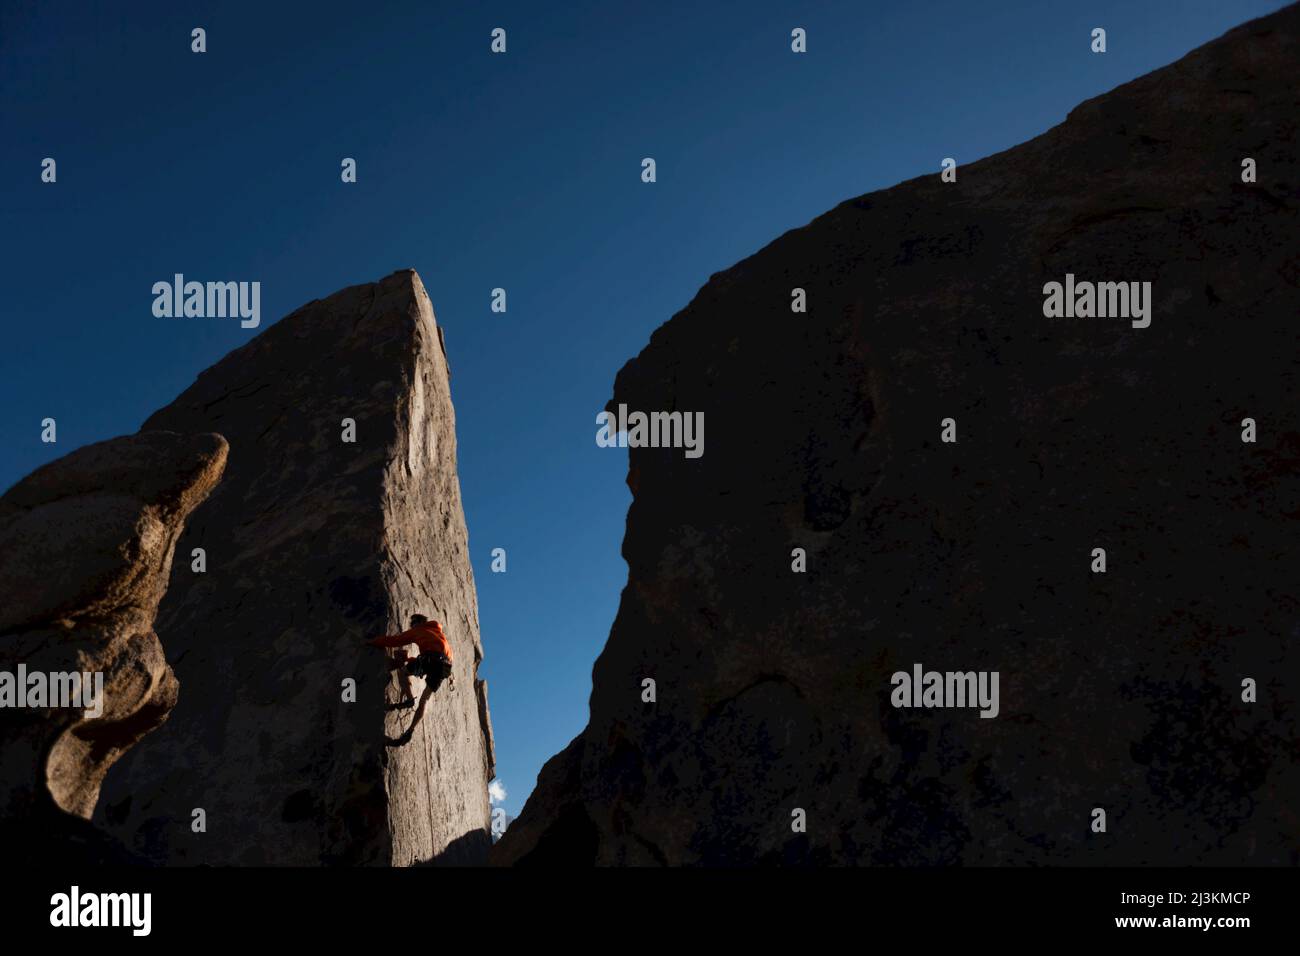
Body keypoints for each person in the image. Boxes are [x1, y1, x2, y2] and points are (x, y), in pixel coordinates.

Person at [365, 614, 454, 743]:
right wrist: (411, 660)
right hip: (444, 667)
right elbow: (434, 656)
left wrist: (373, 642)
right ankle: (409, 731)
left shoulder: (419, 630)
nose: (411, 627)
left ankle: (409, 700)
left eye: (412, 624)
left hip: (430, 660)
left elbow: (394, 641)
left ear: (417, 623)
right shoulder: (438, 633)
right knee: (424, 700)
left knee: (402, 672)